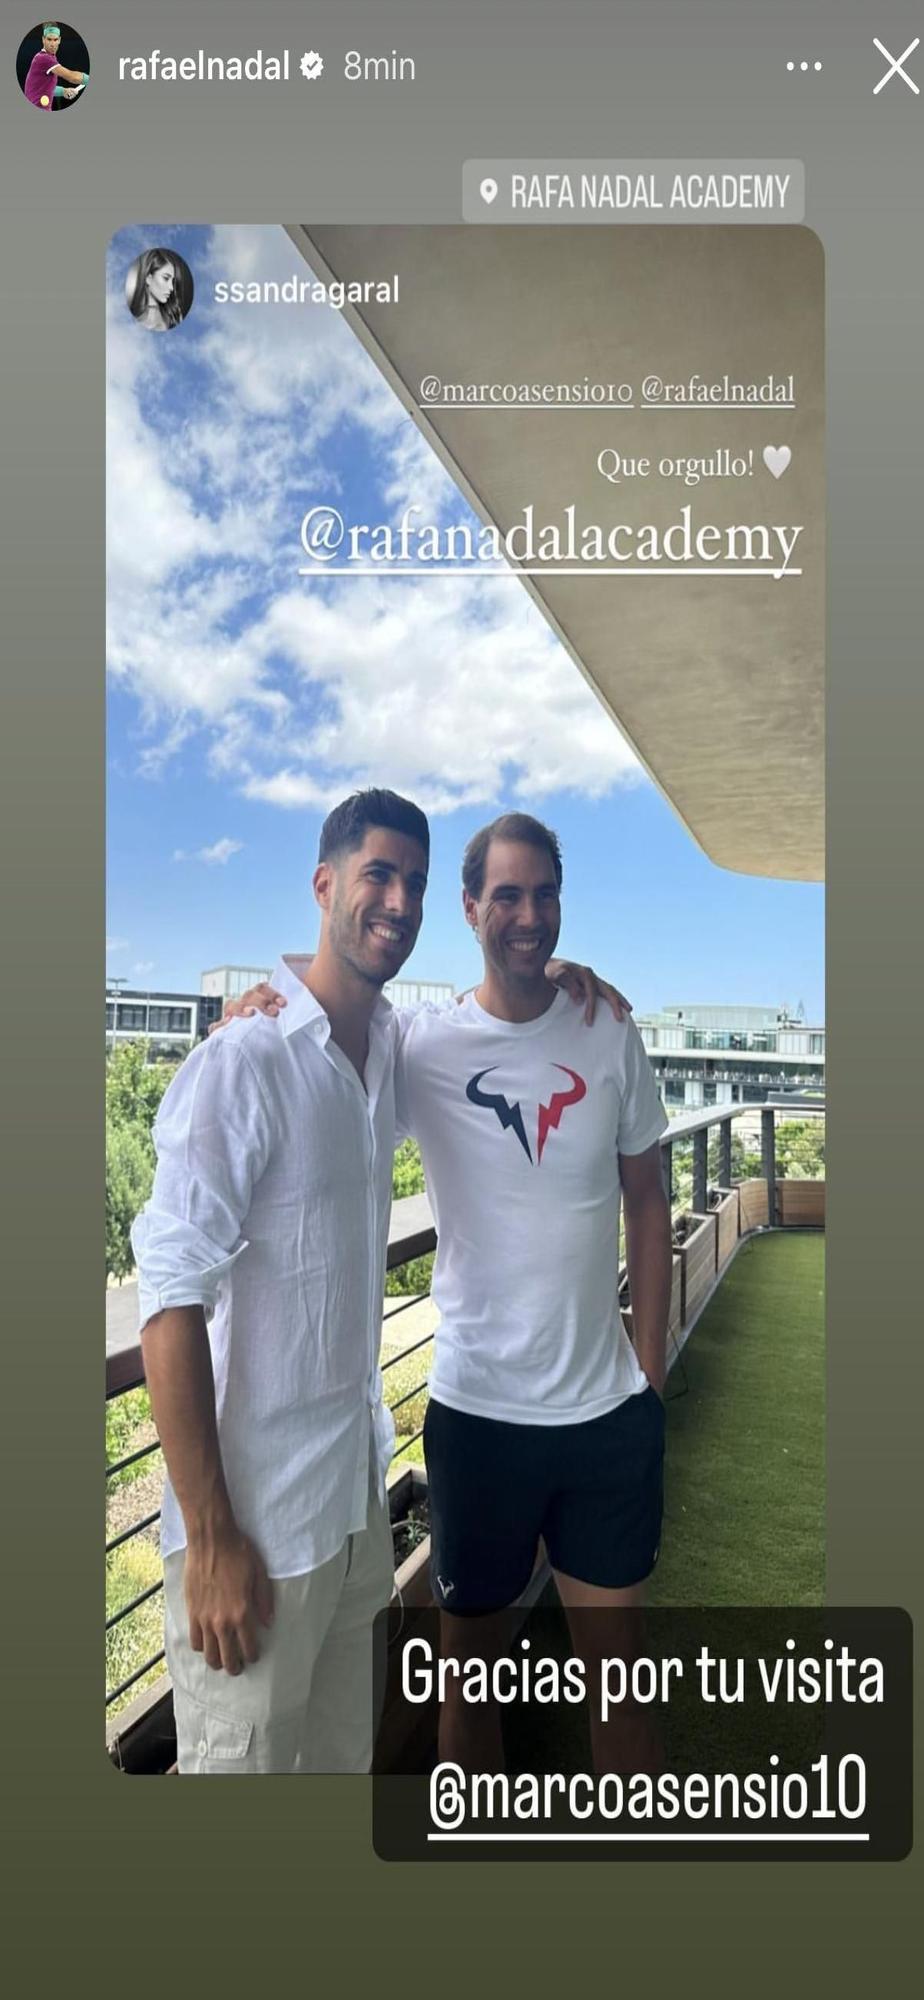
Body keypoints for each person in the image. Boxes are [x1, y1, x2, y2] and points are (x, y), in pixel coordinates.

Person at [232, 811, 672, 1774]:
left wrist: (650, 1367)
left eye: (543, 894)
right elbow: (326, 1053)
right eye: (505, 895)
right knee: (468, 1699)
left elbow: (649, 1193)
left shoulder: (606, 1029)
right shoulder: (422, 1049)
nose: (527, 915)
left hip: (605, 1419)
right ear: (469, 909)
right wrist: (258, 1008)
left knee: (623, 1698)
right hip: (479, 1418)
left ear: (561, 906)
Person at [131, 790, 431, 1774]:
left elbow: (497, 1029)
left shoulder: (385, 1048)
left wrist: (564, 978)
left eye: (414, 883)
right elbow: (167, 1298)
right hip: (250, 1542)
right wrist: (211, 1537)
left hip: (349, 1515)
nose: (397, 900)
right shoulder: (244, 1062)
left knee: (340, 1774)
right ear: (324, 883)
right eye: (377, 873)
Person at [22, 25, 87, 109]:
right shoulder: (44, 58)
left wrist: (63, 91)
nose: (52, 44)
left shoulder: (47, 58)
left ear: (59, 40)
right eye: (49, 39)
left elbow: (43, 88)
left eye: (55, 40)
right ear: (43, 39)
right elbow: (73, 78)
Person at [127, 250, 184, 330]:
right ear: (148, 278)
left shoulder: (175, 315)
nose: (171, 287)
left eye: (173, 281)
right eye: (166, 278)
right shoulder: (129, 318)